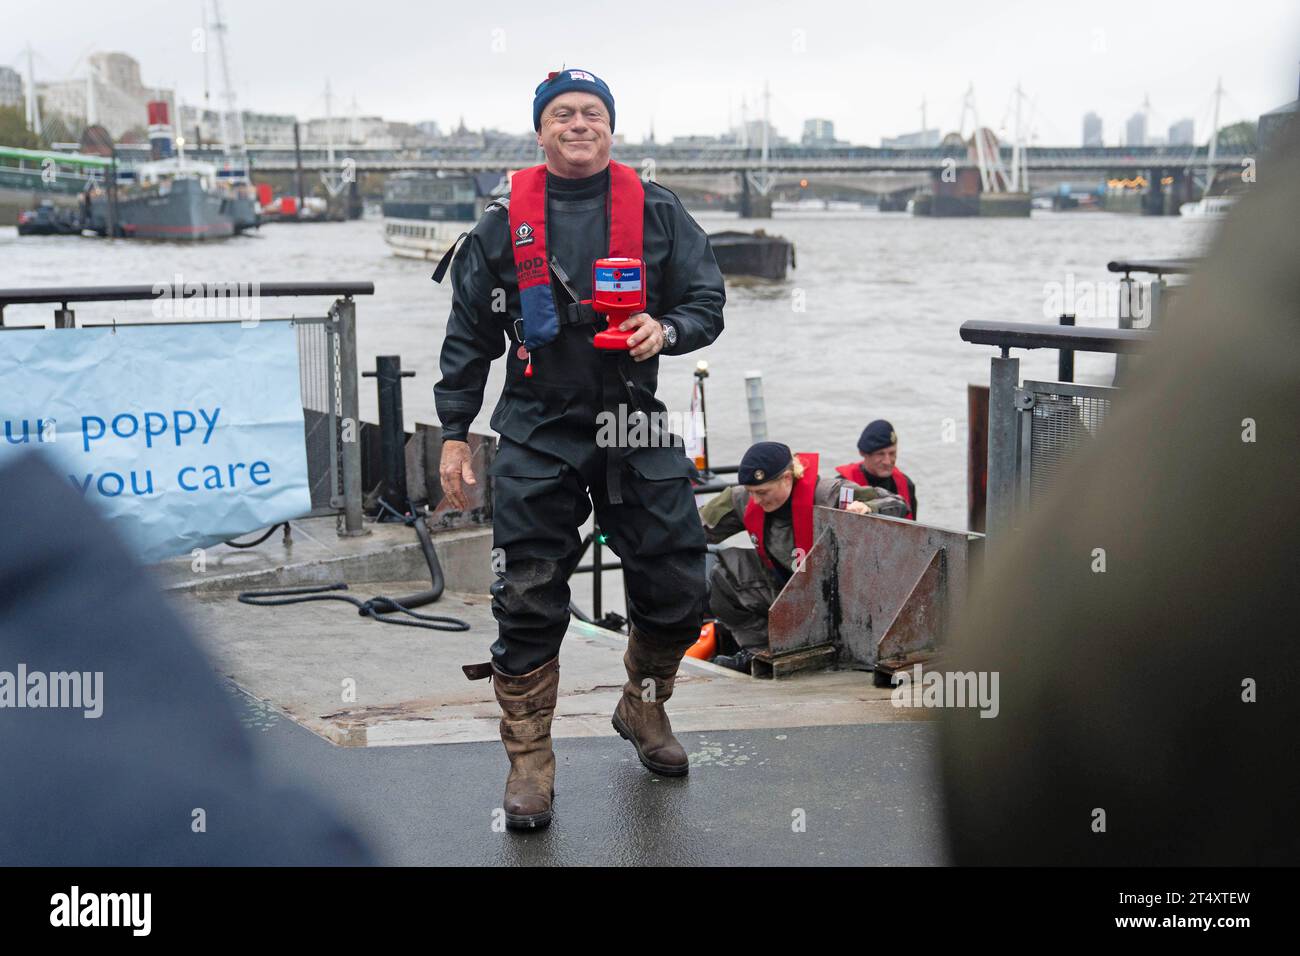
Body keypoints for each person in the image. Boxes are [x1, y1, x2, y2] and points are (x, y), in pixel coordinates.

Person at [434, 68, 726, 830]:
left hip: (631, 417)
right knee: (527, 594)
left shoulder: (658, 211)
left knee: (679, 579)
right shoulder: (501, 225)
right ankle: (530, 758)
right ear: (540, 131)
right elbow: (468, 336)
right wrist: (455, 432)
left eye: (591, 113)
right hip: (538, 424)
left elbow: (707, 300)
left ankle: (644, 704)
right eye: (561, 113)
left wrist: (667, 328)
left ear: (611, 128)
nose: (577, 124)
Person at [699, 441, 908, 671]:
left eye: (762, 492)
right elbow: (694, 528)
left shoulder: (830, 494)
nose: (756, 500)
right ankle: (761, 653)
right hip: (782, 589)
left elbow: (896, 503)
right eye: (751, 492)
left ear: (787, 478)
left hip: (832, 600)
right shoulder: (743, 498)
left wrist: (868, 509)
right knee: (723, 573)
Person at [834, 419, 917, 520]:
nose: (887, 461)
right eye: (880, 454)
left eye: (892, 453)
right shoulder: (843, 486)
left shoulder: (907, 484)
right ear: (863, 453)